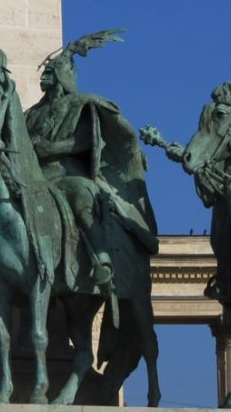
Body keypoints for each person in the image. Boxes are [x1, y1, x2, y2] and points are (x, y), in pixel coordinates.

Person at [25, 30, 158, 291]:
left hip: (68, 174)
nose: (44, 76)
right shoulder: (31, 114)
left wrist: (50, 148)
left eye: (50, 72)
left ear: (63, 77)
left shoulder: (79, 104)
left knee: (81, 202)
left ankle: (101, 258)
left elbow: (84, 141)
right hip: (36, 177)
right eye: (45, 72)